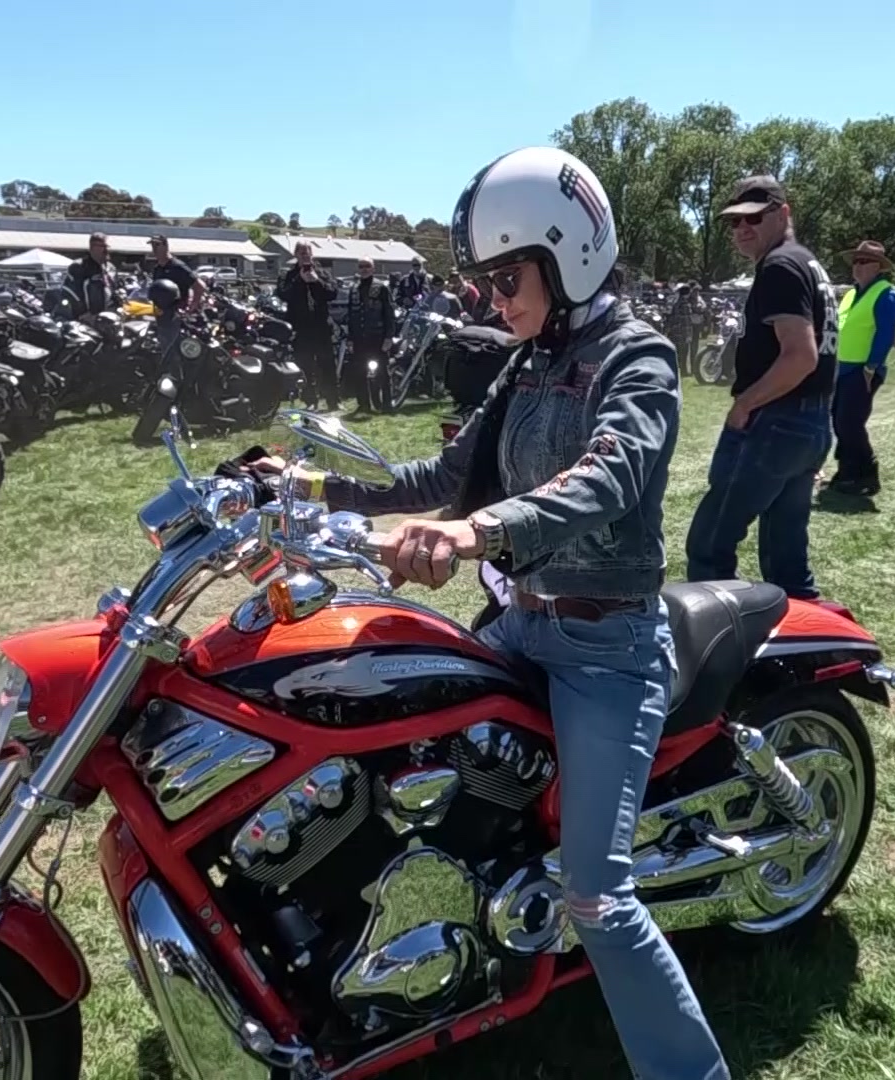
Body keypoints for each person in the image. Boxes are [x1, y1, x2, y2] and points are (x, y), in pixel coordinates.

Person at [280, 145, 728, 1080]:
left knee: (599, 897)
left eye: (506, 277)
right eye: (484, 281)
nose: (492, 298)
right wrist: (309, 486)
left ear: (570, 254)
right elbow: (445, 474)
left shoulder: (637, 357)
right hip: (520, 622)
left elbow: (609, 478)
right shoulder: (529, 362)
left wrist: (474, 533)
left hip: (604, 647)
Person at [685, 174, 837, 599]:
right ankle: (810, 634)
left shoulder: (779, 266)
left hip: (777, 422)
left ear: (783, 213)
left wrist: (744, 406)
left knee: (709, 544)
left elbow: (801, 356)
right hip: (810, 421)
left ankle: (719, 634)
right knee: (786, 555)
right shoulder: (806, 262)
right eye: (734, 221)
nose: (741, 228)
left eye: (753, 217)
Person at [826, 240, 895, 496]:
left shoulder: (887, 295)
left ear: (878, 266)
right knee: (839, 421)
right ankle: (847, 471)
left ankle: (867, 473)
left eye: (864, 261)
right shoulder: (850, 294)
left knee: (850, 422)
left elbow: (885, 335)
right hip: (843, 368)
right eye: (855, 261)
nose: (856, 266)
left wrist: (871, 368)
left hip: (863, 371)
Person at [275, 242, 339, 410]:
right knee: (305, 366)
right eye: (302, 253)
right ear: (296, 254)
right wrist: (300, 280)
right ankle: (310, 401)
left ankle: (333, 401)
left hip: (321, 327)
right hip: (301, 328)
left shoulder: (322, 273)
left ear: (312, 254)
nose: (305, 256)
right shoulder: (289, 275)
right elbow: (283, 294)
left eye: (307, 252)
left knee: (327, 365)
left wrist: (316, 281)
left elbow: (332, 293)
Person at [342, 258, 397, 413]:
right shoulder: (354, 288)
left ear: (373, 268)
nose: (364, 269)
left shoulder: (381, 288)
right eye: (361, 266)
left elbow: (389, 313)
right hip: (359, 338)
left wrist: (388, 337)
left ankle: (387, 405)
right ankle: (363, 405)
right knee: (359, 373)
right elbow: (351, 315)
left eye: (367, 266)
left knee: (383, 373)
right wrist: (350, 339)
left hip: (377, 337)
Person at [62, 233, 120, 316]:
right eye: (102, 246)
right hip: (86, 316)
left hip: (109, 315)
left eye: (107, 246)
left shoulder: (111, 268)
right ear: (92, 247)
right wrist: (83, 313)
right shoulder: (79, 266)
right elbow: (71, 293)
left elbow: (115, 289)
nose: (106, 250)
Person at [147, 234, 209, 311]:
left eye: (157, 245)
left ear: (165, 246)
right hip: (161, 312)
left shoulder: (177, 266)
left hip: (177, 312)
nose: (154, 248)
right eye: (152, 245)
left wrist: (194, 304)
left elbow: (200, 286)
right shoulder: (157, 269)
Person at [667, 283, 700, 378]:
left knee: (677, 353)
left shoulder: (676, 303)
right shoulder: (685, 304)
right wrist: (688, 335)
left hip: (675, 331)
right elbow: (686, 321)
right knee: (684, 353)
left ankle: (678, 370)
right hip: (682, 332)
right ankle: (683, 371)